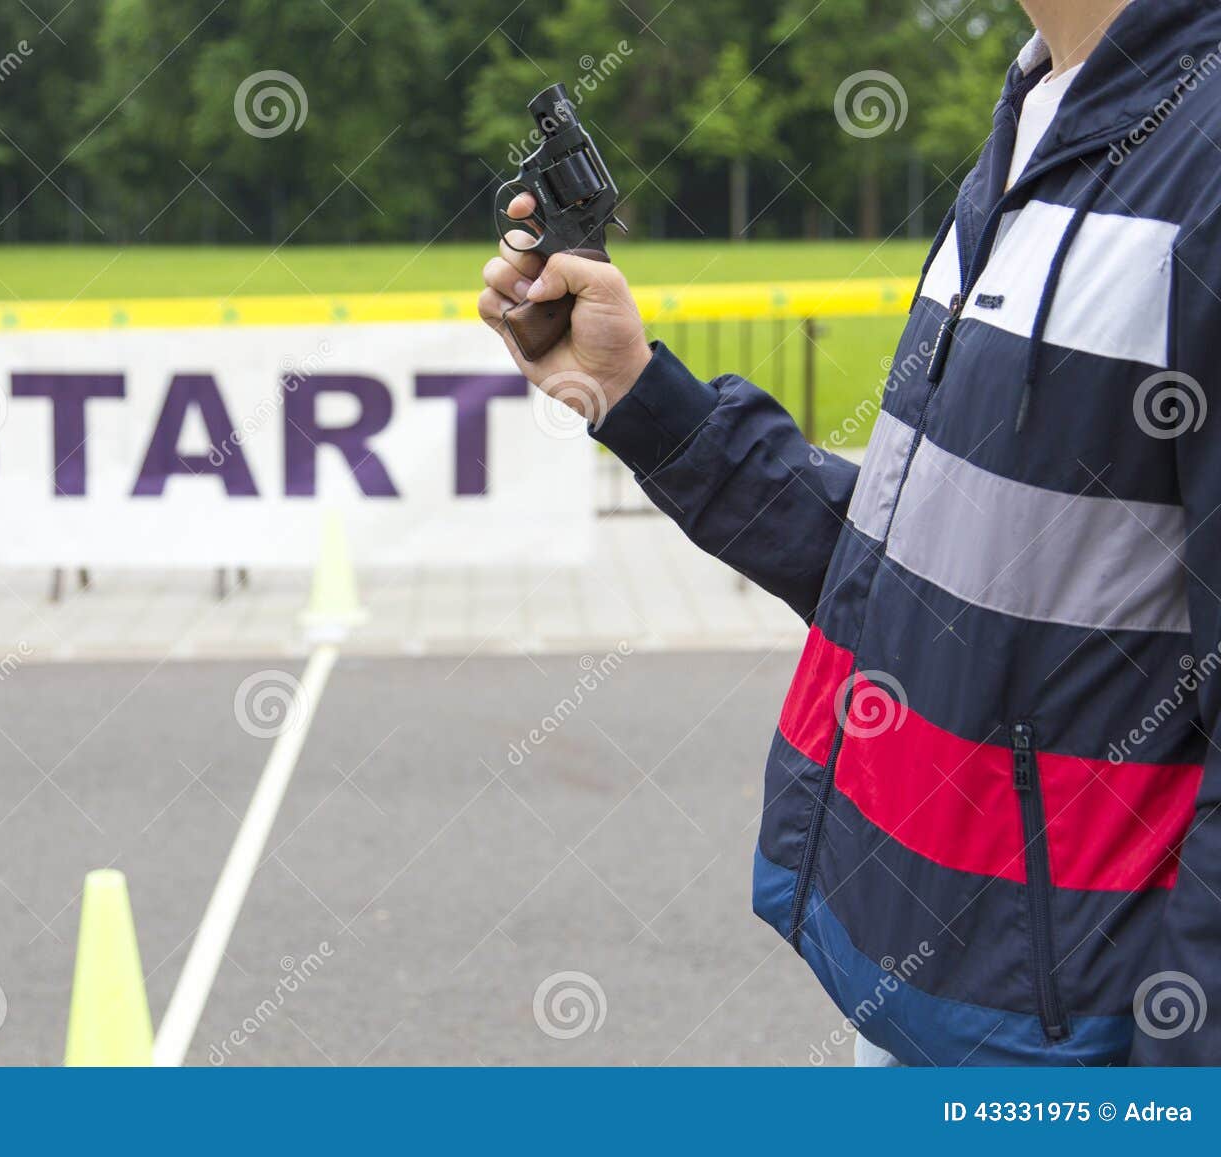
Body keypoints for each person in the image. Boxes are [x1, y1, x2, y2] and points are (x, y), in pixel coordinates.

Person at [480, 0, 1221, 1066]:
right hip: (922, 1000)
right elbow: (905, 572)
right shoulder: (1038, 114)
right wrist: (634, 393)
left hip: (1074, 1058)